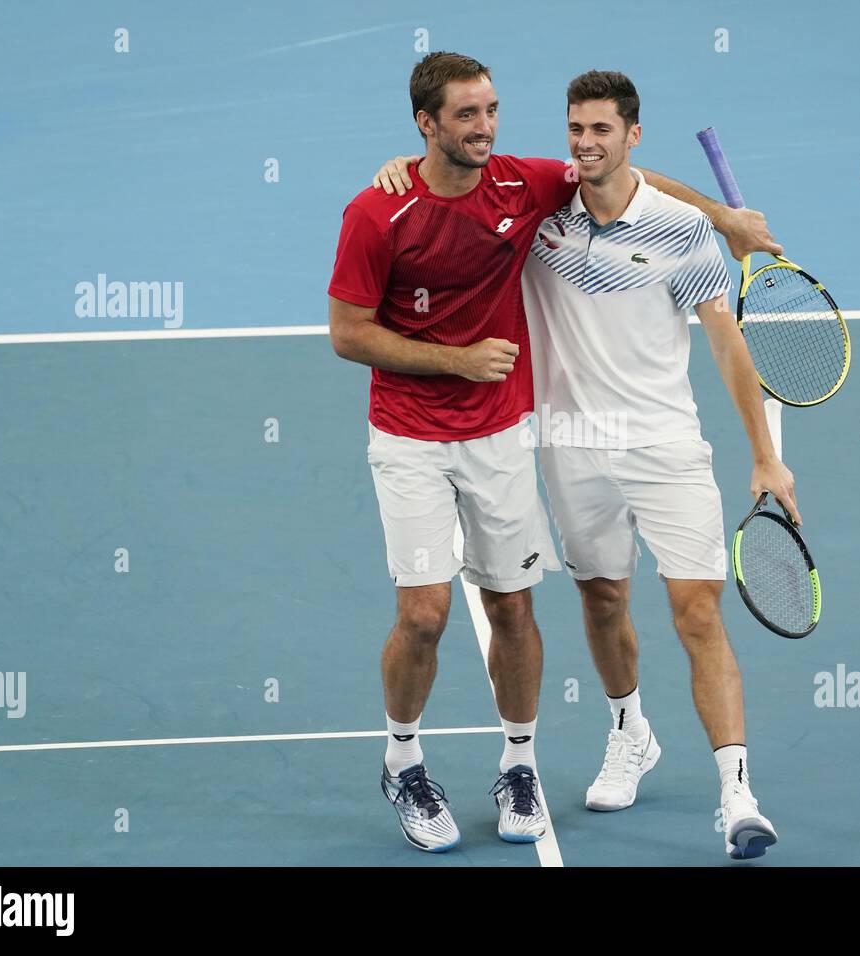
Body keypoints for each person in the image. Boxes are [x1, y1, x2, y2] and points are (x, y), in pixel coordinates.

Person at [333, 53, 777, 854]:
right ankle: (452, 756)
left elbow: (634, 192)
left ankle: (712, 793)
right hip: (517, 442)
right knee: (517, 608)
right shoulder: (473, 206)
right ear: (429, 124)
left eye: (601, 130)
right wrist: (406, 169)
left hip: (602, 439)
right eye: (574, 129)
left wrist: (721, 219)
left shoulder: (594, 210)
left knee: (639, 610)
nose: (583, 144)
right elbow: (352, 324)